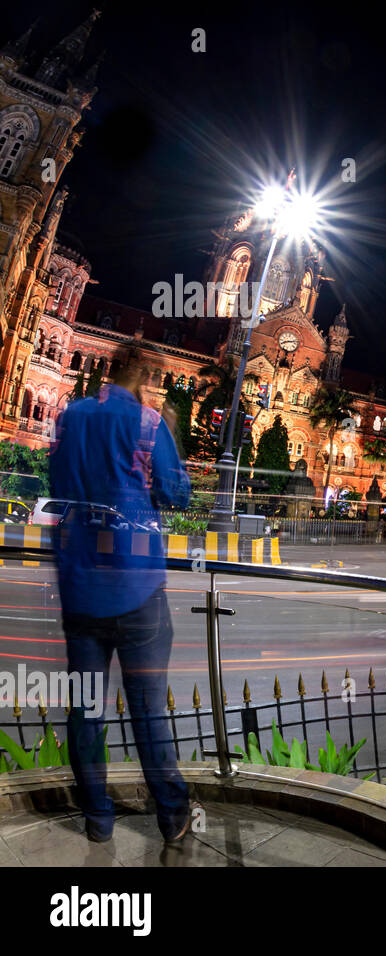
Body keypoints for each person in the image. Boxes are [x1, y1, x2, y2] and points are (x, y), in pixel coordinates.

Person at [50, 344, 192, 845]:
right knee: (148, 707)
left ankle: (98, 818)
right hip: (137, 586)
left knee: (86, 710)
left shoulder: (70, 416)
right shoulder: (149, 425)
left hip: (81, 584)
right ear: (140, 378)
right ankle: (172, 813)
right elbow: (178, 493)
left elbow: (58, 486)